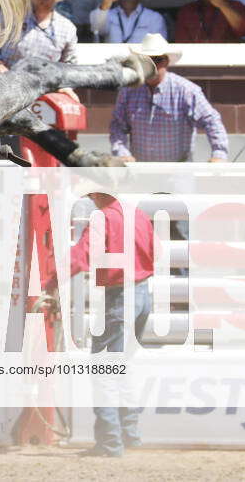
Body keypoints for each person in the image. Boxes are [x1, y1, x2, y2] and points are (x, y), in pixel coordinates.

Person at [48, 191, 154, 457]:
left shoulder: (103, 218)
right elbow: (155, 251)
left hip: (120, 296)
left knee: (104, 370)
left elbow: (80, 256)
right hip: (142, 293)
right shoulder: (137, 214)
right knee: (122, 366)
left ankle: (110, 443)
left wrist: (49, 281)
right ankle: (130, 435)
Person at [110, 33, 228, 163]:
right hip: (140, 170)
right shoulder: (128, 91)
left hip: (178, 170)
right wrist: (122, 153)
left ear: (166, 62)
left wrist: (219, 153)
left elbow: (211, 120)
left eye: (157, 60)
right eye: (146, 61)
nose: (152, 66)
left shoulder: (186, 90)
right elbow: (118, 125)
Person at [0, 0, 79, 101]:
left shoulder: (67, 29)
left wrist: (66, 86)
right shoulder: (9, 19)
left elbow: (69, 64)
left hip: (46, 97)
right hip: (5, 92)